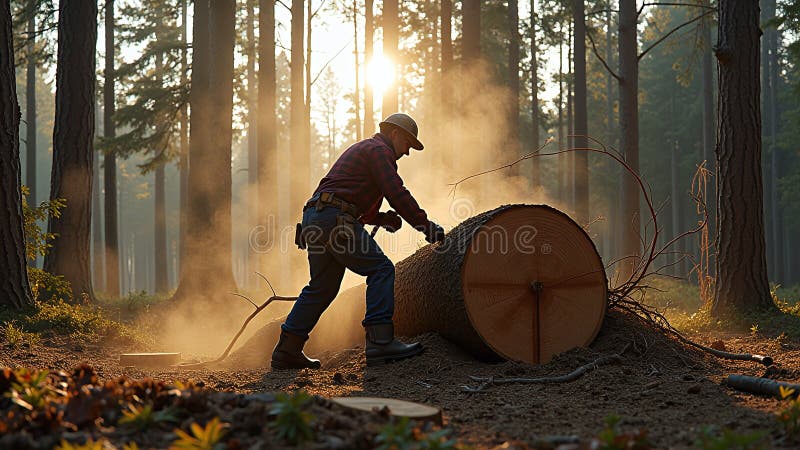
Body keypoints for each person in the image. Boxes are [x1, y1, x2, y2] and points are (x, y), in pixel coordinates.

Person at [271, 113, 446, 370]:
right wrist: (425, 226)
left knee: (322, 287)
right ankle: (380, 341)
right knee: (381, 269)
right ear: (395, 134)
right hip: (333, 218)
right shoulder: (378, 150)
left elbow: (345, 194)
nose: (407, 153)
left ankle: (287, 349)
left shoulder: (365, 150)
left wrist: (381, 218)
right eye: (408, 144)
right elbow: (396, 192)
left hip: (315, 218)